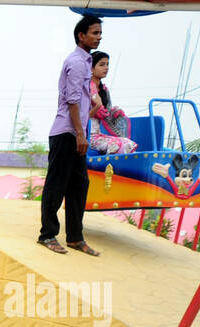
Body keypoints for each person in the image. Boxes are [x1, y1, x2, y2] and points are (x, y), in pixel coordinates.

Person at [40, 15, 104, 257]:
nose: (98, 37)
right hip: (67, 133)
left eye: (100, 33)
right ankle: (47, 234)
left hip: (77, 132)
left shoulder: (85, 62)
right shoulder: (77, 62)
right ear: (81, 35)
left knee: (79, 184)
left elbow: (81, 102)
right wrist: (80, 133)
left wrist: (85, 125)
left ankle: (75, 237)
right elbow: (72, 100)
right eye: (95, 33)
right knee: (56, 184)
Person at [88, 51, 137, 155]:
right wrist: (96, 108)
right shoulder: (85, 88)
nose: (106, 68)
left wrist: (114, 113)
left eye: (107, 64)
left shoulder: (104, 90)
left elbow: (108, 116)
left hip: (97, 135)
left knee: (128, 143)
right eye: (102, 65)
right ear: (91, 68)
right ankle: (108, 165)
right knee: (118, 145)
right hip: (85, 135)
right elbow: (79, 116)